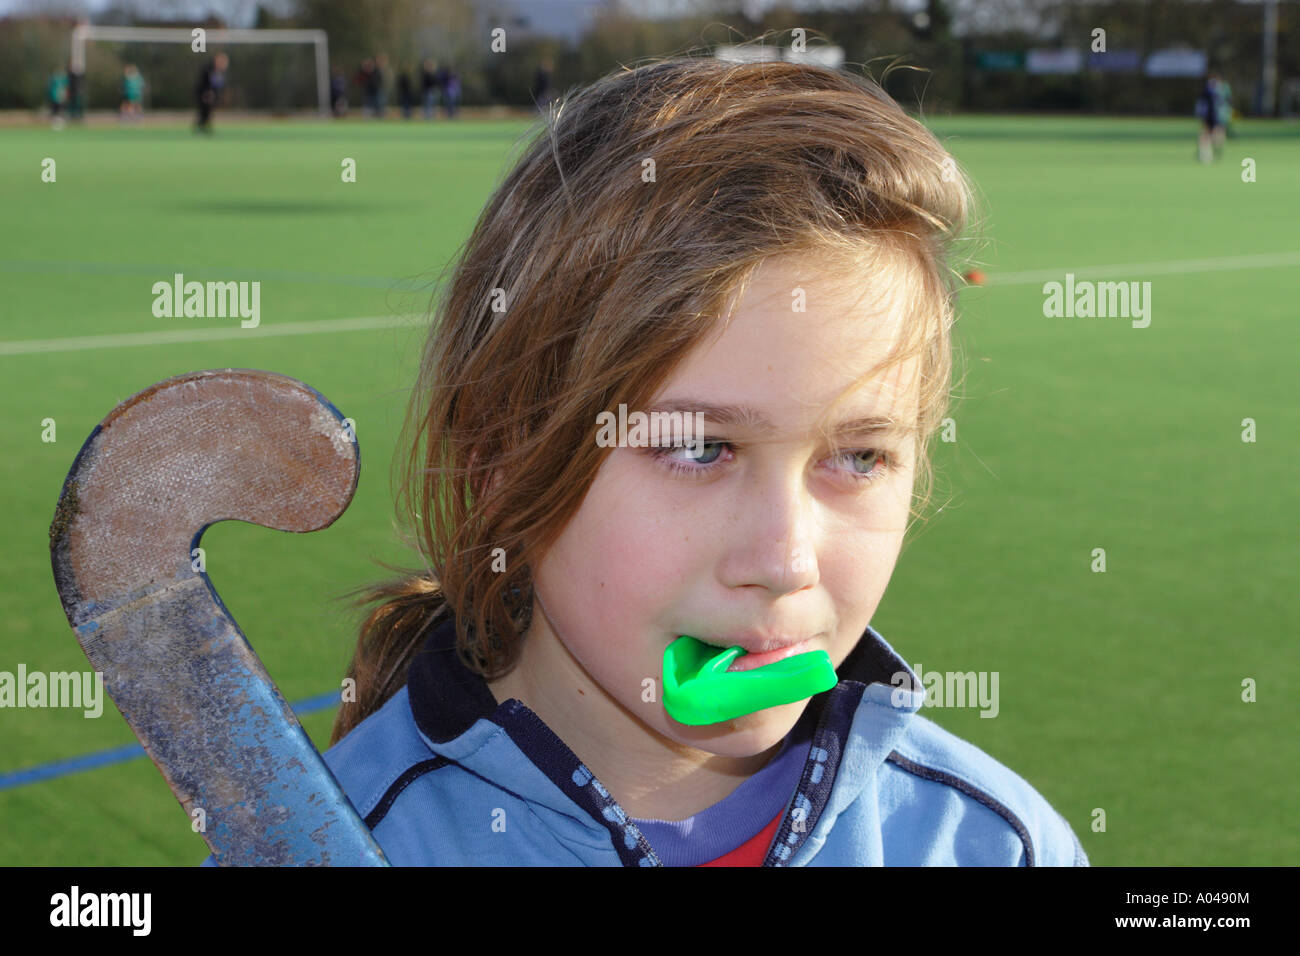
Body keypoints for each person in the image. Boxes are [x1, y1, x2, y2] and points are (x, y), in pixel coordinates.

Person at [201, 56, 1087, 867]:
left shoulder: (991, 845)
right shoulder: (325, 848)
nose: (785, 562)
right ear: (502, 462)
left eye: (858, 457)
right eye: (701, 449)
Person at [1196, 73, 1226, 162]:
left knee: (1210, 135)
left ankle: (1207, 152)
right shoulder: (1210, 92)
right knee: (1208, 135)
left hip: (1213, 116)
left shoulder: (1213, 91)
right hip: (1210, 116)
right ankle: (1206, 153)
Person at [195, 52, 228, 133]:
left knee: (209, 109)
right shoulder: (208, 69)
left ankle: (204, 125)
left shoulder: (220, 72)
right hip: (203, 92)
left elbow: (219, 85)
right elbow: (204, 82)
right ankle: (201, 126)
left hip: (212, 93)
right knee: (204, 109)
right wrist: (207, 92)